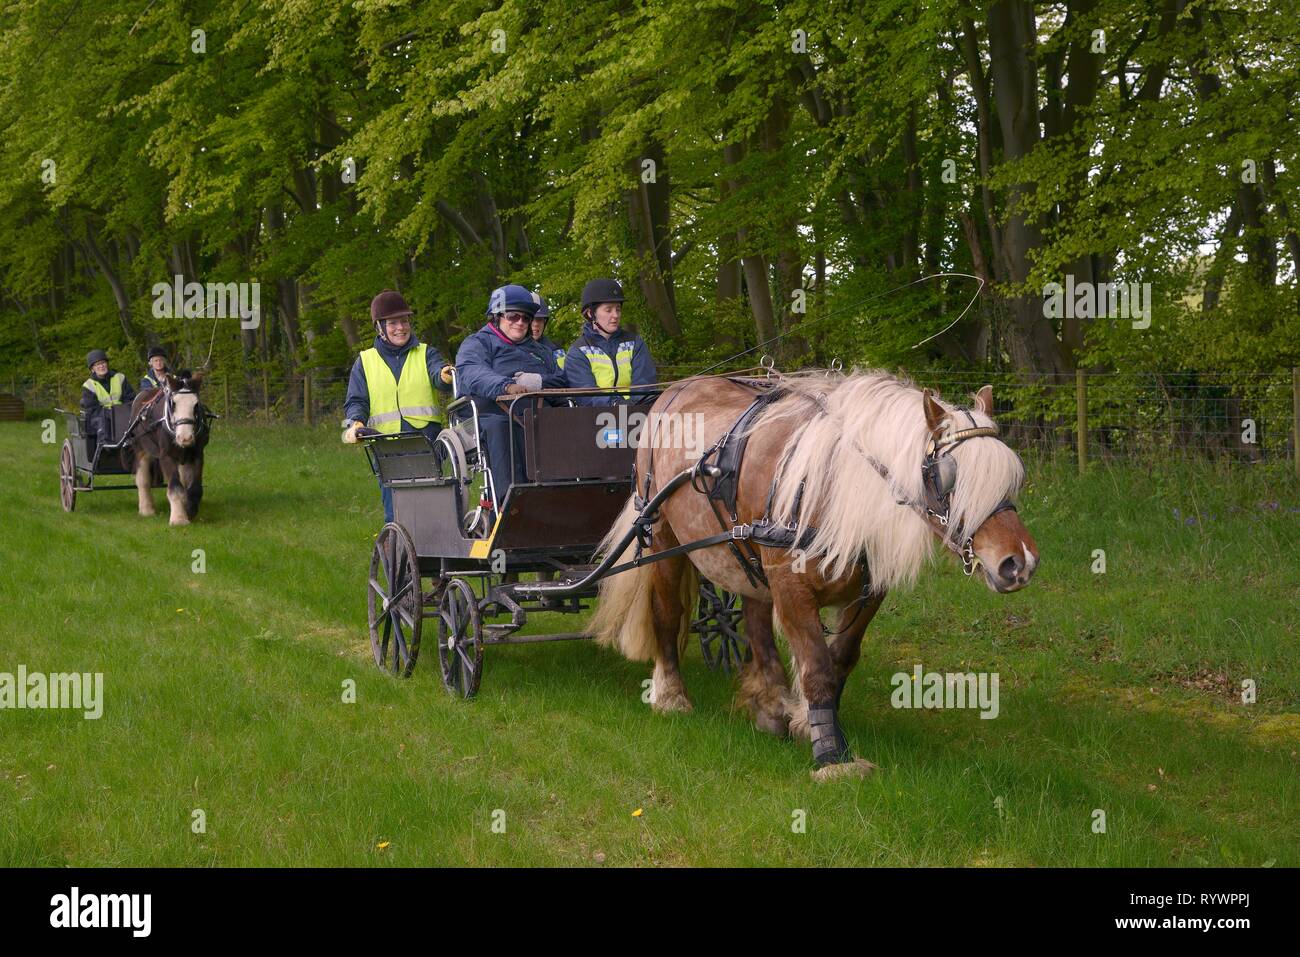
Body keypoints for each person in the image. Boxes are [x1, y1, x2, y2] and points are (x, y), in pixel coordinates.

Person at [342, 290, 454, 523]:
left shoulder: (426, 353)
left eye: (404, 321)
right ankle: (399, 558)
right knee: (396, 514)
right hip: (387, 448)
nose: (401, 327)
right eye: (393, 323)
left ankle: (430, 557)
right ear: (380, 328)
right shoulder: (365, 361)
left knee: (431, 511)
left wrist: (444, 376)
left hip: (425, 443)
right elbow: (356, 401)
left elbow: (437, 373)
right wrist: (355, 423)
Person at [455, 284, 564, 506]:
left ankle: (567, 492)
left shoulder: (541, 351)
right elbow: (474, 372)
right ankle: (510, 502)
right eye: (513, 316)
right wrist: (507, 386)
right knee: (501, 426)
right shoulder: (478, 343)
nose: (521, 323)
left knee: (566, 419)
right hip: (488, 415)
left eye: (526, 318)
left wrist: (536, 382)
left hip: (535, 413)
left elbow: (562, 379)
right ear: (496, 317)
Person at [563, 278, 656, 405]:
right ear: (591, 314)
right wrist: (615, 404)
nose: (616, 315)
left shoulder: (635, 343)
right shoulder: (577, 351)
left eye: (618, 309)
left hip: (637, 413)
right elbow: (587, 396)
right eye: (608, 310)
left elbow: (645, 384)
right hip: (596, 419)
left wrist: (631, 408)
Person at [80, 349, 135, 457]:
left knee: (134, 418)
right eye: (97, 365)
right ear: (92, 369)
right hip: (99, 416)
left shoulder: (120, 378)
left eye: (103, 363)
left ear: (107, 364)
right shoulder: (88, 385)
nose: (101, 366)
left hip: (121, 412)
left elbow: (130, 398)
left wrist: (122, 411)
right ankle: (104, 447)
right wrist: (109, 412)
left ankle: (132, 443)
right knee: (103, 420)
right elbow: (92, 409)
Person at [529, 297, 565, 371]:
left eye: (539, 320)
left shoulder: (556, 350)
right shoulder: (508, 348)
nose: (535, 324)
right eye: (531, 319)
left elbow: (565, 378)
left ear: (545, 322)